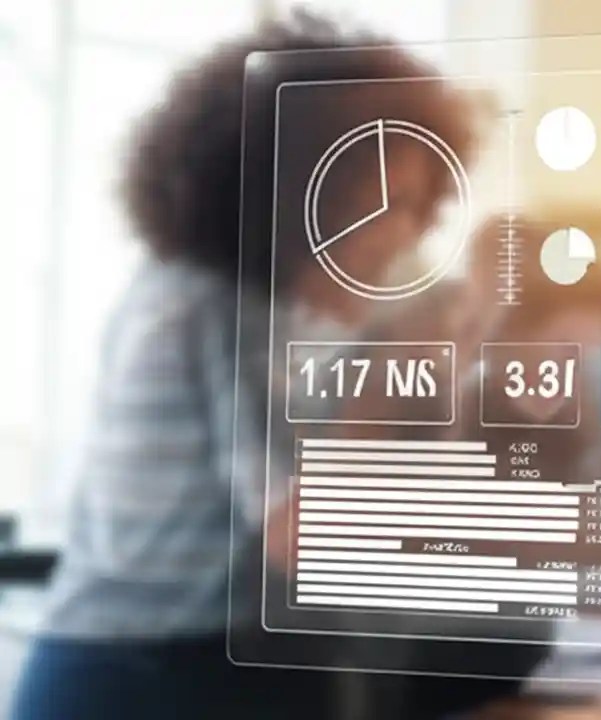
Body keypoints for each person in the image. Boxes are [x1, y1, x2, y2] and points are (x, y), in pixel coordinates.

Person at [10, 14, 481, 720]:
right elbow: (308, 537)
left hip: (185, 664)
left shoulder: (246, 308)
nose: (402, 234)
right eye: (377, 203)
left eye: (418, 207)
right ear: (293, 189)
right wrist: (391, 369)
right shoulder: (213, 308)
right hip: (144, 676)